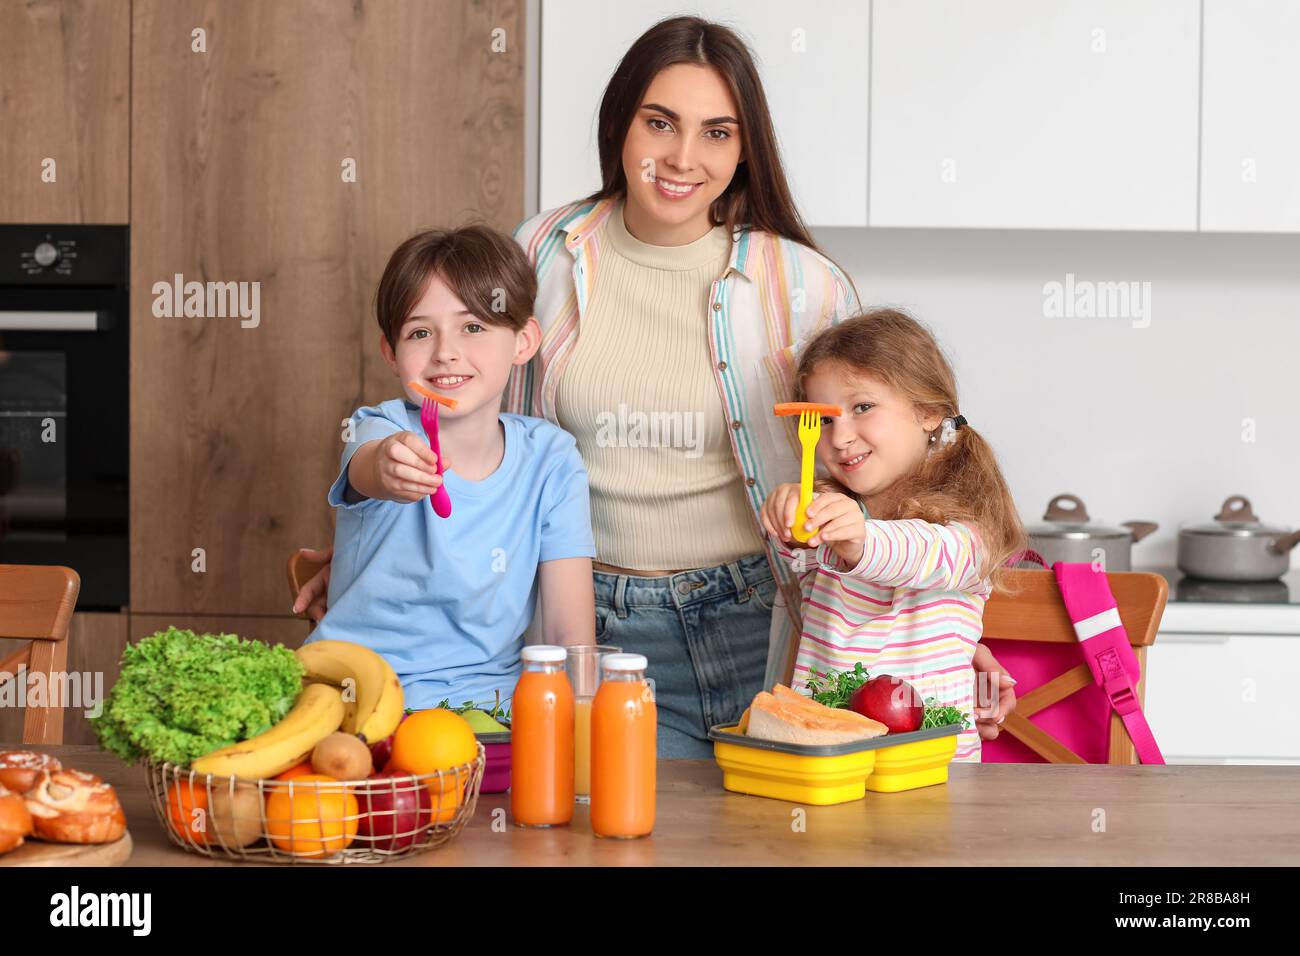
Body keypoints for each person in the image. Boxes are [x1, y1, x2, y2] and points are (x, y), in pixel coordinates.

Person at [294, 15, 1017, 755]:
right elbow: (471, 430)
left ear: (745, 147)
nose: (682, 157)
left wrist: (927, 631)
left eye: (717, 132)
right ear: (620, 125)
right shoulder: (543, 253)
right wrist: (381, 557)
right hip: (585, 625)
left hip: (762, 623)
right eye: (660, 123)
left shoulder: (801, 283)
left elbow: (871, 457)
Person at [303, 225, 596, 710]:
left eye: (473, 327)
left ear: (524, 341)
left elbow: (570, 635)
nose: (445, 352)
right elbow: (369, 465)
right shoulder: (375, 428)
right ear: (392, 355)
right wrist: (389, 468)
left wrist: (579, 729)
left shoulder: (552, 459)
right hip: (350, 701)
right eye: (420, 333)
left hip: (490, 714)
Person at [760, 308, 1026, 760]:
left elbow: (931, 555)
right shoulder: (832, 517)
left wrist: (862, 540)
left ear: (927, 412)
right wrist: (791, 528)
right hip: (826, 756)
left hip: (932, 772)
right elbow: (805, 571)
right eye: (824, 419)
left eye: (862, 407)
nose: (840, 437)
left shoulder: (968, 525)